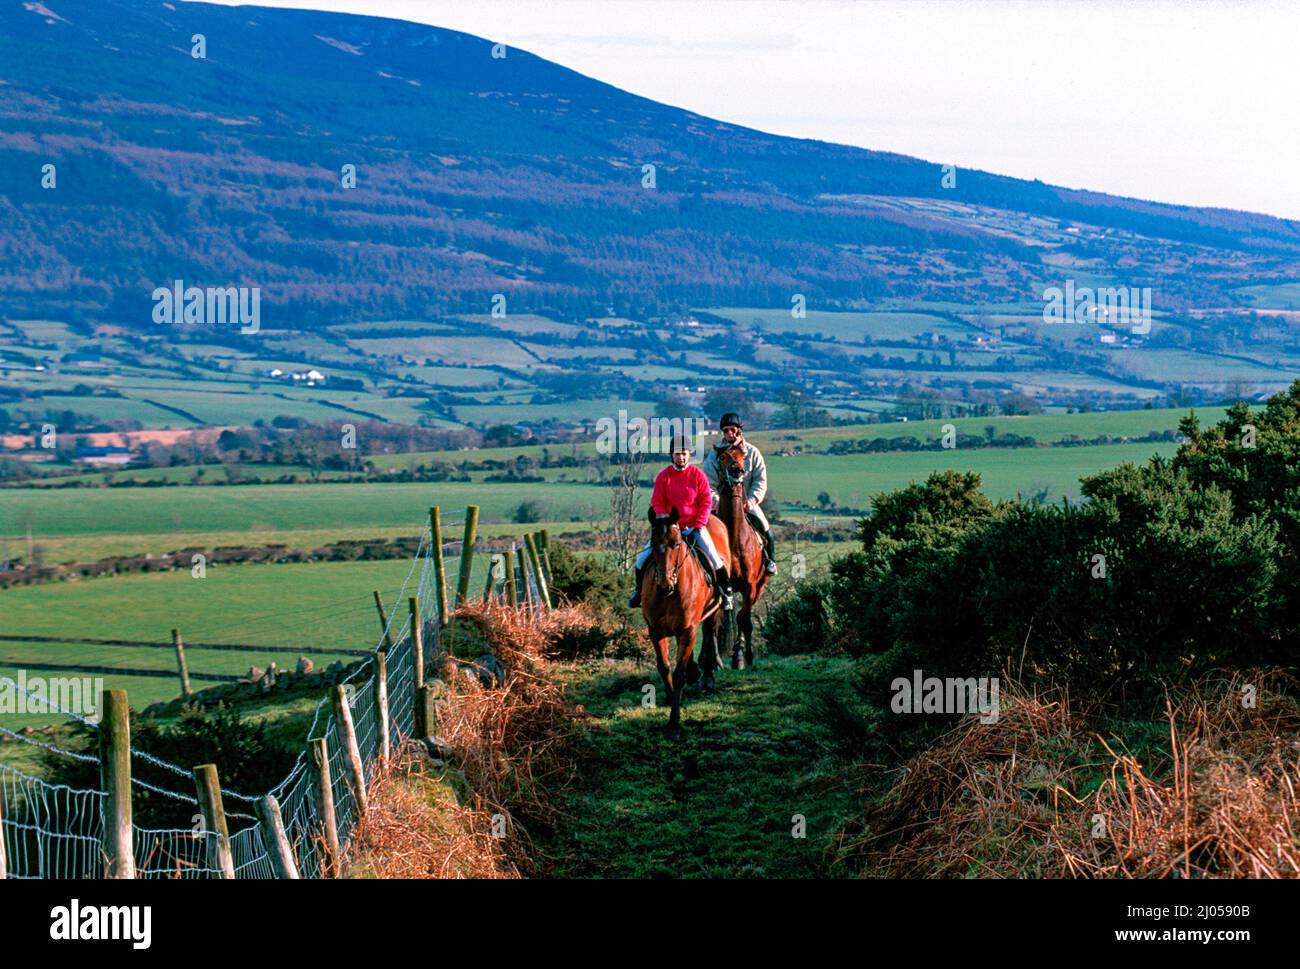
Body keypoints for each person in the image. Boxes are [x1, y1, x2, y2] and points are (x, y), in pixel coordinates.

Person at [628, 435, 734, 609]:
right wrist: (667, 522)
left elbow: (706, 502)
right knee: (641, 559)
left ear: (689, 455)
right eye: (677, 454)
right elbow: (657, 502)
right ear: (672, 455)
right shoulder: (664, 476)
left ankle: (726, 592)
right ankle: (639, 592)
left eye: (684, 454)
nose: (681, 457)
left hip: (694, 527)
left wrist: (698, 523)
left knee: (714, 557)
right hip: (669, 528)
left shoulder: (698, 475)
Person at [702, 412, 778, 575]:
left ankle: (770, 561)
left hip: (747, 504)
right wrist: (717, 501)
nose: (729, 434)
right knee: (704, 530)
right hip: (721, 504)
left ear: (739, 431)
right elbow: (708, 482)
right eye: (726, 430)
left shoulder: (752, 452)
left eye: (732, 430)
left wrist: (751, 501)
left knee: (765, 527)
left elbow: (760, 480)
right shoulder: (715, 454)